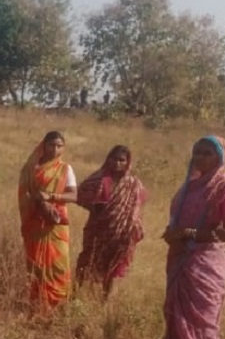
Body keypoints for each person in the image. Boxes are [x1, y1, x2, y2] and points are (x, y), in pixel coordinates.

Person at [159, 136, 225, 339]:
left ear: (220, 158)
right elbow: (176, 222)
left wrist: (188, 233)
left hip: (205, 265)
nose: (200, 157)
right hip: (180, 259)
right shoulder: (187, 188)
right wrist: (171, 233)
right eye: (197, 152)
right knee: (176, 315)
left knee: (202, 319)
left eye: (207, 153)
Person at [75, 145, 147, 296]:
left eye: (122, 160)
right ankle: (74, 294)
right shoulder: (99, 178)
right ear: (108, 159)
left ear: (127, 162)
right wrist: (92, 206)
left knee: (114, 267)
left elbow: (137, 206)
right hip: (98, 230)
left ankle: (105, 302)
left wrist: (133, 227)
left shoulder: (133, 184)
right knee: (86, 261)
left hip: (121, 234)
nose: (117, 163)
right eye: (114, 159)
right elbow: (80, 194)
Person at [18, 130, 77, 310]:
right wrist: (38, 202)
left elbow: (73, 196)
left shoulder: (65, 169)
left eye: (60, 146)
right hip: (35, 222)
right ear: (44, 145)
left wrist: (51, 197)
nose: (55, 149)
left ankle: (57, 305)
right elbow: (24, 193)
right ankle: (37, 304)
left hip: (56, 225)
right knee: (36, 265)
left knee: (59, 265)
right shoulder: (31, 169)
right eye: (52, 145)